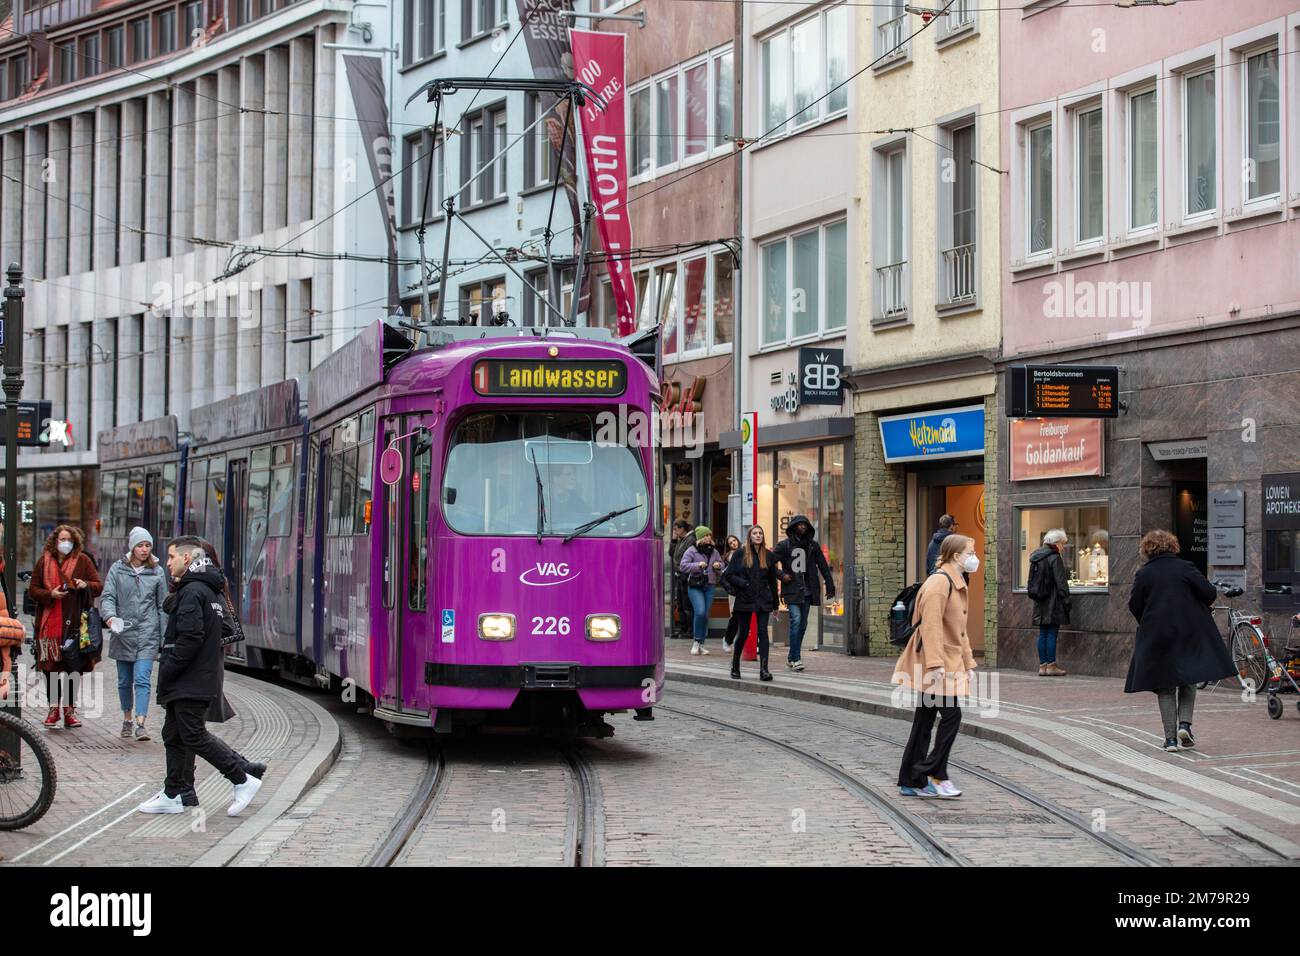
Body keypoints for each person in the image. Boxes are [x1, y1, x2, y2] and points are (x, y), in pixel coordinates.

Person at [137, 537, 264, 817]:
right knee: (173, 734)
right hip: (195, 677)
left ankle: (242, 779)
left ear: (186, 559)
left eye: (171, 557)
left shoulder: (193, 591)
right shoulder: (206, 589)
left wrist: (169, 668)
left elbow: (190, 639)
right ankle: (173, 794)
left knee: (193, 735)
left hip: (190, 678)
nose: (167, 562)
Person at [1125, 530, 1235, 753]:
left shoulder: (1144, 574)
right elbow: (1209, 593)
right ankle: (1185, 724)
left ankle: (1171, 740)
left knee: (1165, 687)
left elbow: (1134, 605)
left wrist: (1147, 621)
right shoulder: (1185, 567)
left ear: (1147, 549)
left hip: (1157, 634)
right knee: (1189, 678)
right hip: (1189, 631)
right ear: (1173, 546)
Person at [892, 534, 980, 798]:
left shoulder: (956, 581)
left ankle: (912, 778)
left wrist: (968, 663)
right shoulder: (940, 583)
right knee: (951, 717)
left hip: (947, 660)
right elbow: (930, 626)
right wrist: (934, 665)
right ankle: (934, 773)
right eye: (970, 552)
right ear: (955, 556)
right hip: (937, 663)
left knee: (925, 719)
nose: (974, 557)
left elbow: (958, 630)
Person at [28, 525, 103, 729]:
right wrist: (49, 595)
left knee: (73, 668)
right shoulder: (44, 561)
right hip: (49, 626)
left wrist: (84, 585)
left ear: (75, 541)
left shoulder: (83, 560)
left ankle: (69, 710)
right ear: (55, 541)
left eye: (68, 539)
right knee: (50, 669)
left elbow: (98, 585)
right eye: (61, 539)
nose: (65, 543)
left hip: (75, 624)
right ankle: (54, 709)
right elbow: (33, 589)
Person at [102, 527, 169, 741]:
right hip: (123, 633)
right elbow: (108, 597)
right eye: (140, 545)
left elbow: (162, 605)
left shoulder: (157, 571)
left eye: (148, 545)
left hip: (147, 634)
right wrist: (111, 617)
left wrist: (163, 637)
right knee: (124, 681)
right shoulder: (118, 569)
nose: (144, 549)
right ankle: (127, 718)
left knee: (142, 679)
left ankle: (141, 723)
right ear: (132, 547)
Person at [771, 515, 835, 672]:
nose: (803, 527)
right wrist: (782, 575)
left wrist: (830, 584)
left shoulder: (812, 545)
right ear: (793, 527)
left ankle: (791, 658)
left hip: (808, 590)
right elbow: (769, 563)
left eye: (805, 525)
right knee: (796, 621)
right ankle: (796, 658)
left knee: (803, 625)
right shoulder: (784, 545)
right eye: (799, 525)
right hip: (792, 589)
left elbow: (823, 565)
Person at [722, 525, 780, 682]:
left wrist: (775, 605)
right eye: (755, 533)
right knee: (743, 633)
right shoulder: (740, 554)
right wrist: (744, 584)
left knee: (763, 633)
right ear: (750, 536)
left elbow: (772, 581)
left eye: (760, 533)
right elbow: (729, 575)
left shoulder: (768, 555)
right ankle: (735, 665)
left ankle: (764, 670)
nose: (758, 535)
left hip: (763, 599)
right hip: (745, 598)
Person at [1027, 528, 1071, 677]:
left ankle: (1042, 666)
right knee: (1052, 632)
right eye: (1062, 544)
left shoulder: (1036, 556)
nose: (1063, 547)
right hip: (1053, 601)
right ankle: (1051, 666)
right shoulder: (1054, 557)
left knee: (1043, 633)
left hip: (1040, 600)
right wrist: (1066, 600)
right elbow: (1061, 582)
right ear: (1056, 543)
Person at [678, 526, 727, 656]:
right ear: (700, 537)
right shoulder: (692, 550)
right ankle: (696, 641)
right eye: (705, 535)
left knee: (705, 614)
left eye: (709, 535)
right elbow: (683, 566)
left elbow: (721, 565)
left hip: (710, 585)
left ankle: (701, 644)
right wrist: (697, 565)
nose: (708, 538)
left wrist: (718, 566)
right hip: (695, 586)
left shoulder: (714, 552)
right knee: (699, 612)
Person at [670, 519, 695, 640]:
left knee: (687, 604)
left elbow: (688, 557)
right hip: (679, 575)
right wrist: (674, 540)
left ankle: (689, 630)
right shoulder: (681, 540)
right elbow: (671, 553)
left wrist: (683, 571)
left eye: (676, 529)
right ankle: (683, 628)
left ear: (682, 528)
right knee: (680, 603)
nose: (674, 532)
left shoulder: (690, 540)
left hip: (685, 575)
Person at [719, 535, 742, 650]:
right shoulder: (730, 556)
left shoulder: (745, 551)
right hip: (734, 591)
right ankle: (728, 639)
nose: (733, 543)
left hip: (745, 589)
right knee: (735, 616)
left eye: (734, 540)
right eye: (730, 542)